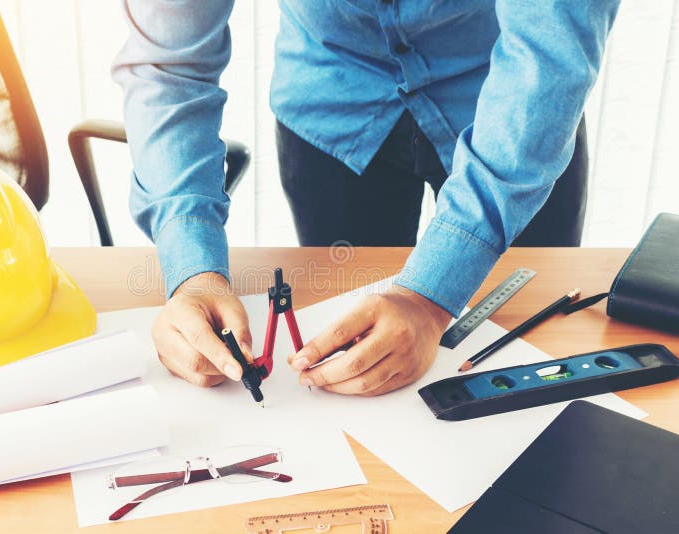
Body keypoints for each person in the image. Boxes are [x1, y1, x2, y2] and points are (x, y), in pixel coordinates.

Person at [112, 1, 619, 396]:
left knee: (538, 364)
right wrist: (193, 269)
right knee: (354, 360)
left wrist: (429, 296)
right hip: (333, 108)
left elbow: (547, 60)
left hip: (513, 119)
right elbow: (168, 67)